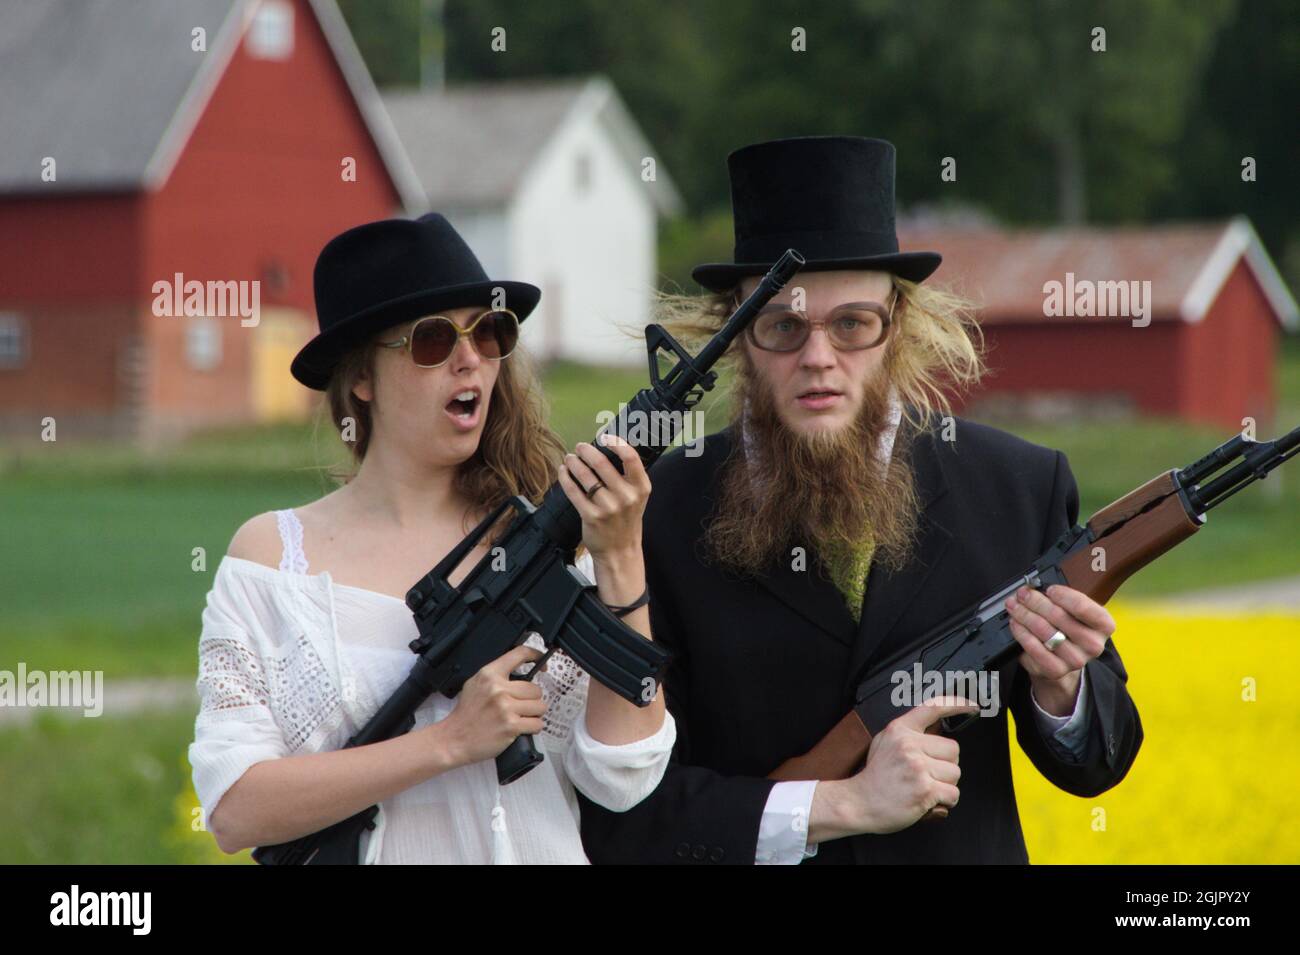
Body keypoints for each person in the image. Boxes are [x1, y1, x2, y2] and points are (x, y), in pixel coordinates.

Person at [578, 136, 1143, 864]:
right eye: (782, 325)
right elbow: (634, 818)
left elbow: (1098, 761)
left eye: (851, 323)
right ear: (737, 339)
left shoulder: (1016, 486)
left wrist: (1061, 687)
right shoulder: (654, 517)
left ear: (896, 326)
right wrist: (828, 806)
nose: (819, 357)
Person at [188, 213, 674, 864]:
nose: (469, 357)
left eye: (490, 330)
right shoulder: (273, 560)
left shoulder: (536, 543)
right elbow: (233, 809)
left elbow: (625, 773)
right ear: (362, 376)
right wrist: (448, 740)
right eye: (432, 339)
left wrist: (620, 554)